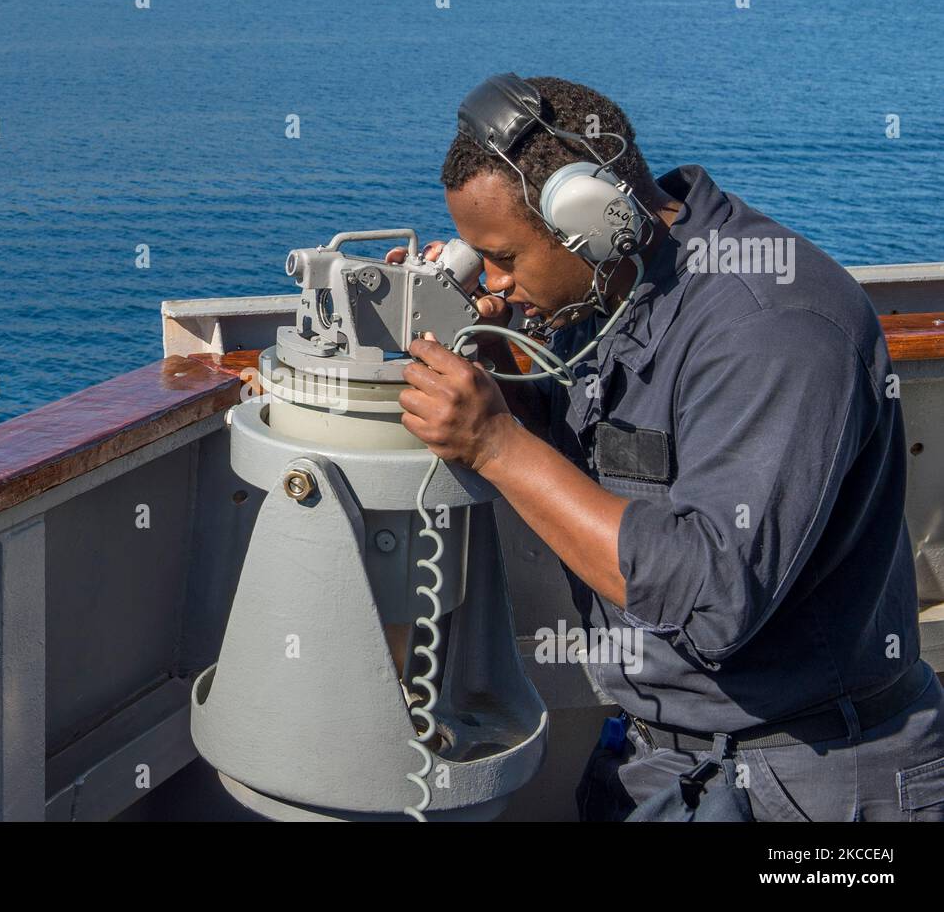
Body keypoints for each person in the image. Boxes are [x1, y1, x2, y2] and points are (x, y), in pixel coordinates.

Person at [391, 73, 944, 821]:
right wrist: (499, 387)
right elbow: (609, 454)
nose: (495, 282)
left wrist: (495, 444)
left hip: (810, 781)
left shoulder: (776, 327)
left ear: (592, 216)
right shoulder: (612, 287)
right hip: (660, 759)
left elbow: (716, 596)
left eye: (506, 259)